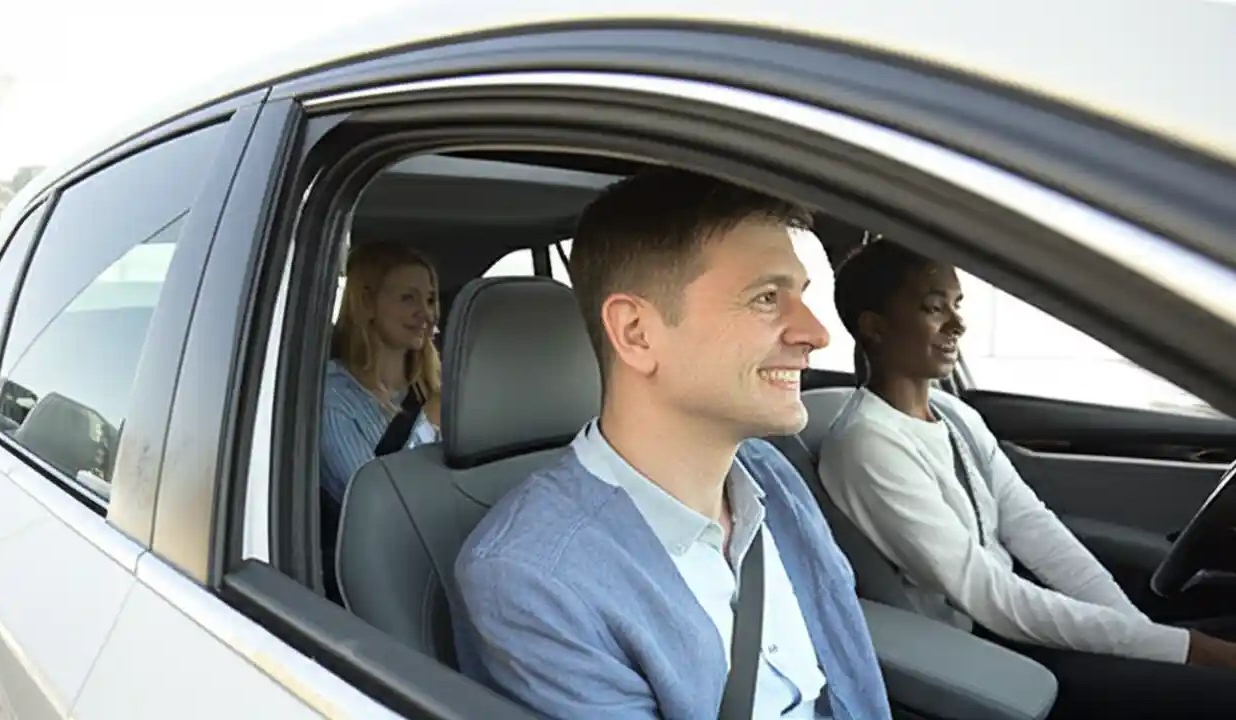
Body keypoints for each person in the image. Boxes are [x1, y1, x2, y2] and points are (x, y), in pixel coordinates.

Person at [450, 169, 890, 720]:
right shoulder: (530, 577)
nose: (817, 333)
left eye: (800, 295)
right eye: (766, 297)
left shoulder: (766, 472)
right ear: (636, 332)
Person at [818, 239, 1236, 718]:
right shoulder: (869, 445)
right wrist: (1188, 650)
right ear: (874, 328)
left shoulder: (953, 415)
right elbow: (987, 597)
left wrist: (1137, 631)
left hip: (1014, 620)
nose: (958, 323)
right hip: (983, 650)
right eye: (934, 308)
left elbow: (1033, 527)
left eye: (957, 305)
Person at [320, 243, 442, 503]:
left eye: (430, 299)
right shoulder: (334, 402)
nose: (427, 313)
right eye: (408, 298)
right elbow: (380, 506)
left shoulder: (431, 387)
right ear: (367, 303)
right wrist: (429, 423)